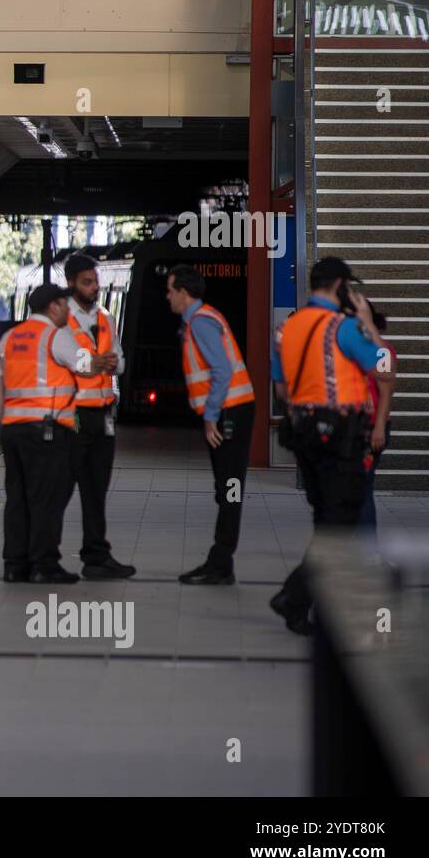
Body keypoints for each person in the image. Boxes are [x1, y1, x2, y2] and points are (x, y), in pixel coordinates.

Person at [270, 257, 382, 634]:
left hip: (302, 433)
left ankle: (306, 606)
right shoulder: (343, 326)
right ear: (338, 285)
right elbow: (382, 367)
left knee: (325, 518)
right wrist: (366, 323)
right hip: (340, 437)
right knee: (342, 520)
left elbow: (282, 388)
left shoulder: (288, 327)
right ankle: (294, 595)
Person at [0, 283, 101, 584]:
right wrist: (100, 360)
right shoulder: (55, 336)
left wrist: (4, 422)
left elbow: (0, 383)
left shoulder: (11, 338)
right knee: (46, 498)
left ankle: (15, 565)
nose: (69, 310)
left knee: (17, 498)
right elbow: (86, 367)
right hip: (47, 429)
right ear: (54, 307)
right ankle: (44, 564)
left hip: (13, 430)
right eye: (65, 306)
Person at [165, 265, 255, 585]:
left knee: (229, 489)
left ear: (184, 292)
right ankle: (221, 560)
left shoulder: (201, 322)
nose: (167, 296)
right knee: (226, 488)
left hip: (229, 412)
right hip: (233, 410)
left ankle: (220, 563)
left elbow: (221, 371)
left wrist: (211, 416)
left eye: (170, 290)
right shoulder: (202, 319)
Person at [63, 253, 135, 580]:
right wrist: (95, 361)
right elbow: (69, 359)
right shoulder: (61, 317)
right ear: (71, 283)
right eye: (87, 282)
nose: (94, 288)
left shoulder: (106, 316)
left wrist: (109, 363)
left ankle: (96, 557)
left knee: (97, 488)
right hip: (73, 414)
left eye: (96, 282)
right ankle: (42, 555)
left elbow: (118, 360)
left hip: (103, 414)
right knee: (60, 487)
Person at [353, 296, 396, 547]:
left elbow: (386, 391)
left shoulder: (381, 349)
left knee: (363, 489)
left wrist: (379, 427)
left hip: (371, 428)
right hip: (354, 426)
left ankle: (367, 550)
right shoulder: (352, 347)